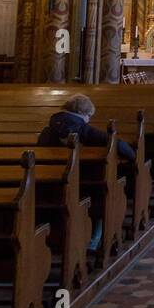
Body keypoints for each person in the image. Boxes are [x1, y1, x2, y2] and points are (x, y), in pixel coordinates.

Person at [38, 96, 136, 253]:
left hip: (49, 186)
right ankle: (93, 240)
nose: (88, 120)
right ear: (82, 113)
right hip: (81, 187)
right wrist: (135, 156)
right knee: (105, 191)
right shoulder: (84, 131)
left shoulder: (47, 132)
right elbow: (115, 144)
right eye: (88, 116)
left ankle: (54, 238)